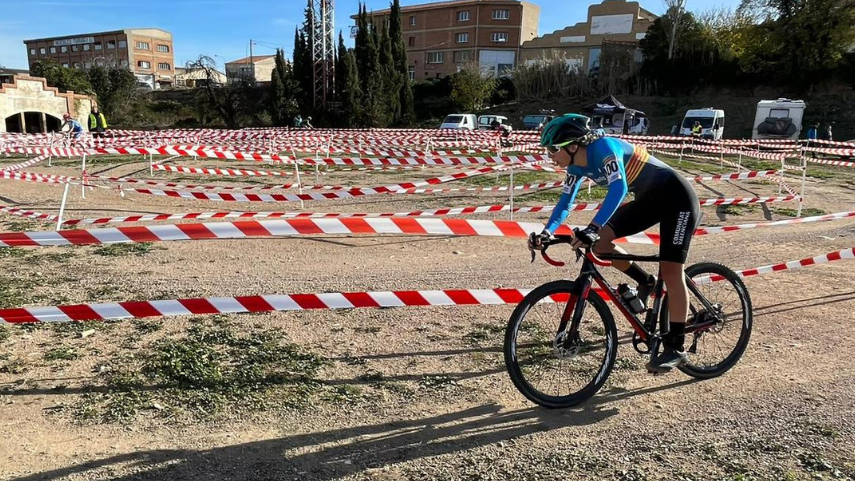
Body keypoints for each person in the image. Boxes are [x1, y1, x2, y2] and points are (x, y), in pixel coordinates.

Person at [528, 114, 700, 373]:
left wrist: (593, 228)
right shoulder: (575, 167)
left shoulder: (605, 148)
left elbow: (617, 190)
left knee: (672, 270)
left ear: (573, 146)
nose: (549, 155)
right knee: (601, 245)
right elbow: (565, 204)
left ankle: (675, 347)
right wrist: (546, 232)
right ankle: (645, 281)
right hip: (649, 200)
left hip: (678, 199)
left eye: (553, 149)